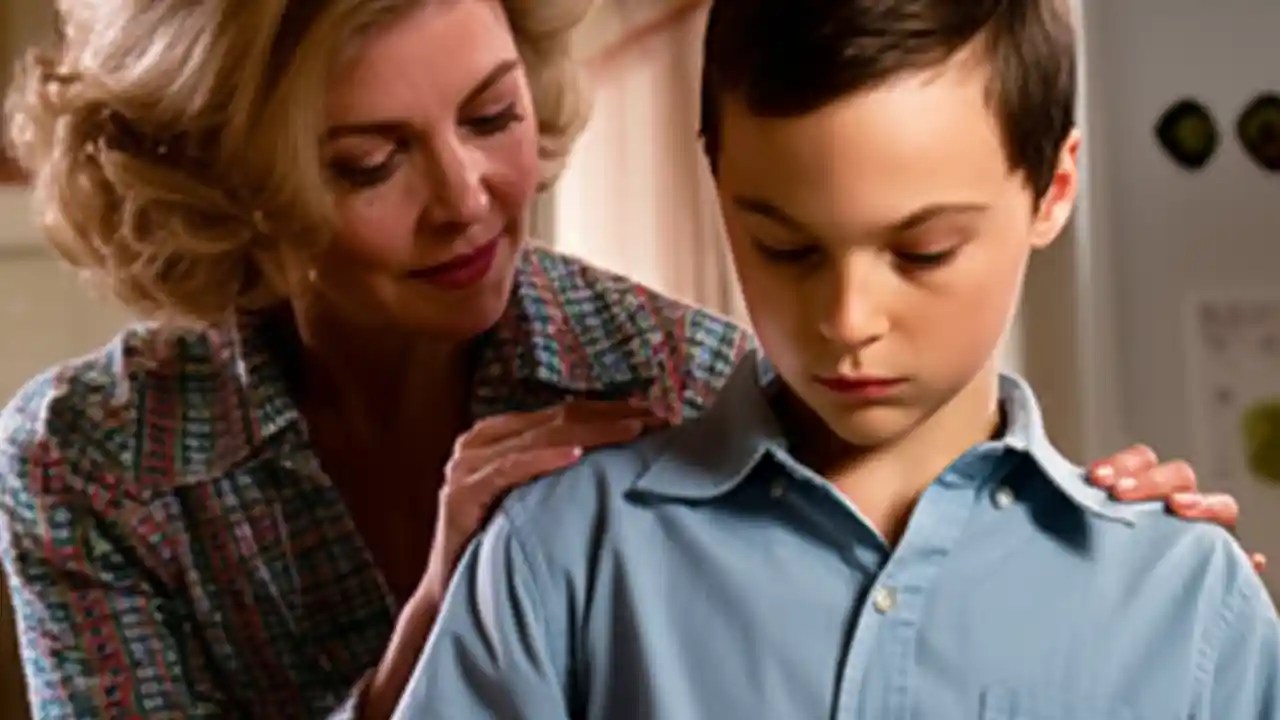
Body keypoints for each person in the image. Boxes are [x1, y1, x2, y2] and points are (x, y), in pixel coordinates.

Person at [0, 0, 1250, 718]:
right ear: (232, 183)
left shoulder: (675, 373)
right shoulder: (89, 463)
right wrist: (438, 629)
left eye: (496, 116)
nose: (473, 199)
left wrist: (1101, 550)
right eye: (369, 162)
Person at [393, 0, 1280, 718]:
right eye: (786, 248)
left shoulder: (1182, 600)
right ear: (719, 183)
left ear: (1052, 189)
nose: (847, 321)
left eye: (923, 251)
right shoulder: (562, 560)